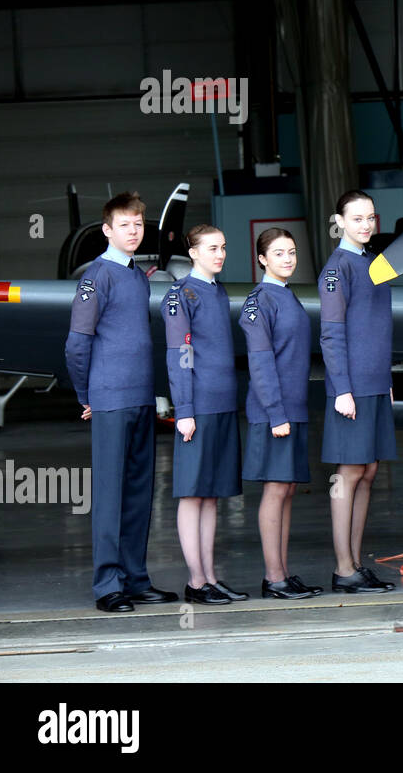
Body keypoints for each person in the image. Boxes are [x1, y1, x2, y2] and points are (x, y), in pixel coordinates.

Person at [64, 191, 178, 613]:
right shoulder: (97, 277)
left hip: (142, 399)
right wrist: (86, 394)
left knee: (138, 493)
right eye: (124, 225)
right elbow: (77, 345)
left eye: (138, 224)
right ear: (108, 230)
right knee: (110, 494)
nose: (133, 231)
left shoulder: (136, 276)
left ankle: (135, 578)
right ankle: (107, 584)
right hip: (110, 400)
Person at [162, 225, 246, 605]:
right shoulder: (181, 295)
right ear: (192, 253)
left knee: (211, 495)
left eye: (224, 247)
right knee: (192, 494)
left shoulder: (218, 291)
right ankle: (195, 582)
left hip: (224, 404)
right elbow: (180, 354)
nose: (220, 254)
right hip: (198, 405)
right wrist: (185, 409)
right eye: (212, 248)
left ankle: (210, 576)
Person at [320, 190, 396, 593]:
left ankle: (356, 563)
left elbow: (376, 327)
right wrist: (341, 389)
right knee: (348, 474)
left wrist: (385, 382)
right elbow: (331, 334)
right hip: (350, 387)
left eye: (370, 218)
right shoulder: (338, 269)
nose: (366, 225)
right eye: (357, 219)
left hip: (375, 384)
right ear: (340, 222)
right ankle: (343, 568)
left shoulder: (372, 263)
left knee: (368, 471)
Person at [241, 228, 321, 599]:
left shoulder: (288, 296)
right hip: (274, 411)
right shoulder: (260, 301)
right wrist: (275, 414)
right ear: (262, 260)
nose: (288, 259)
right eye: (278, 253)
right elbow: (260, 364)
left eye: (291, 252)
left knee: (287, 489)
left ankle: (283, 573)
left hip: (294, 408)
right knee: (275, 490)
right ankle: (273, 578)